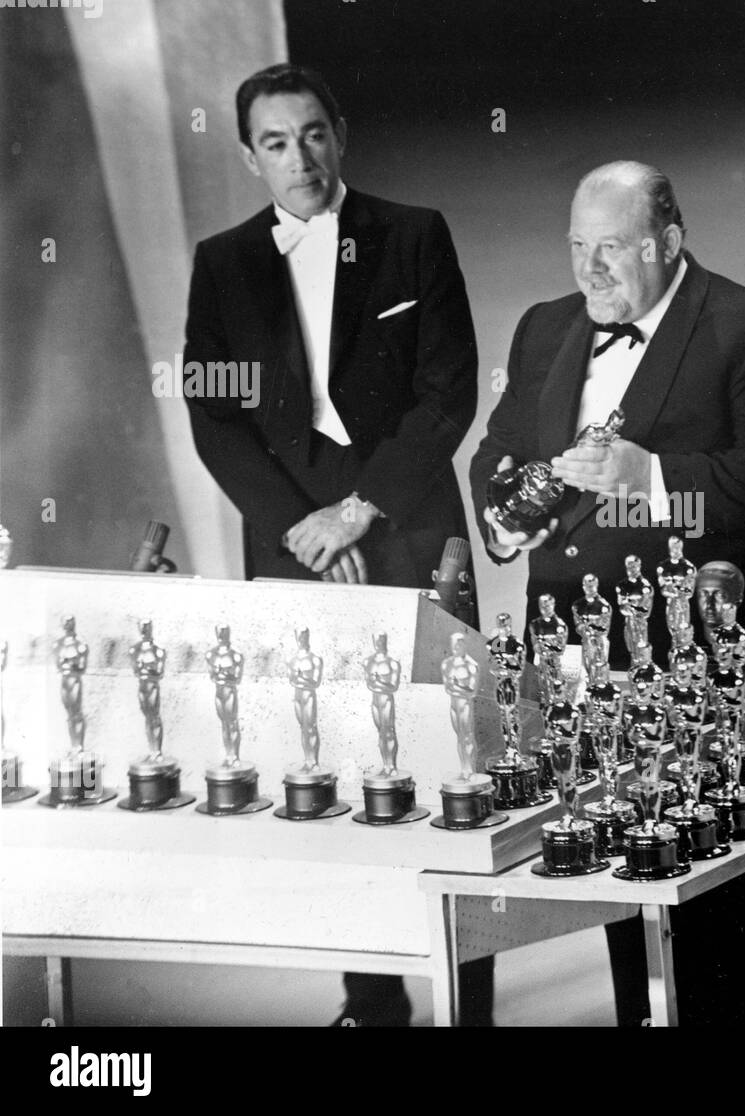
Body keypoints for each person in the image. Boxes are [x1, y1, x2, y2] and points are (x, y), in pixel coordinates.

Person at [470, 161, 745, 1026]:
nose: (590, 273)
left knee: (734, 868)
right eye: (577, 249)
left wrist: (653, 476)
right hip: (578, 652)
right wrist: (504, 513)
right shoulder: (543, 326)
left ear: (669, 243)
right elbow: (501, 449)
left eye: (614, 250)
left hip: (707, 651)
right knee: (620, 855)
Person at [182, 63, 490, 1027]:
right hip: (293, 549)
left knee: (455, 769)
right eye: (276, 142)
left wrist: (357, 511)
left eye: (313, 134)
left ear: (341, 135)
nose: (299, 158)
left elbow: (450, 393)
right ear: (249, 156)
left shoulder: (413, 235)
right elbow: (216, 419)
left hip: (408, 532)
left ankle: (466, 1009)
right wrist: (302, 531)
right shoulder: (223, 262)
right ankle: (372, 1002)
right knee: (328, 767)